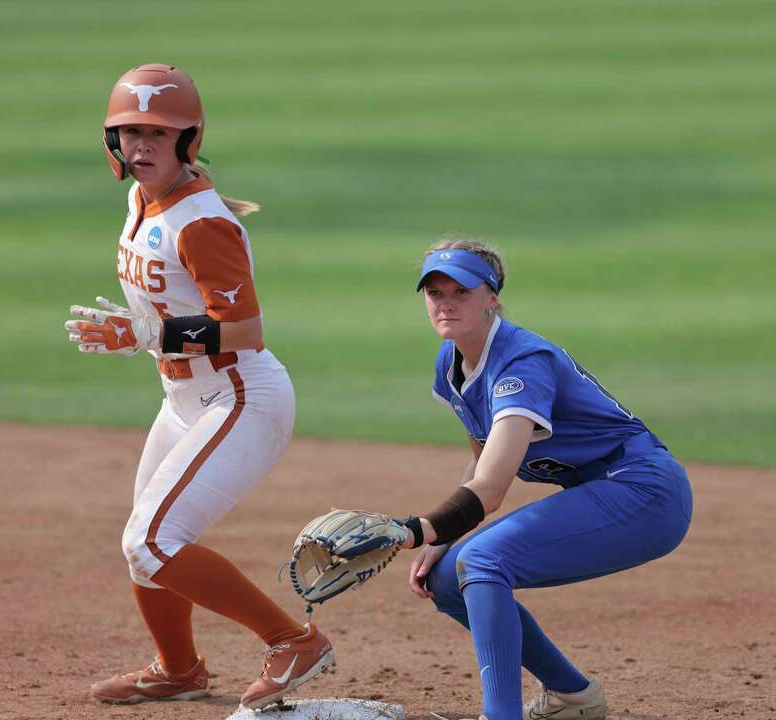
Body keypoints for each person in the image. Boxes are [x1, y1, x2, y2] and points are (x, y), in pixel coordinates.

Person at [63, 63, 333, 708]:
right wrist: (146, 333)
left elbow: (244, 330)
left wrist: (145, 333)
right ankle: (179, 670)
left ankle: (293, 641)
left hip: (240, 398)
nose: (143, 146)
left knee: (152, 541)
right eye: (131, 132)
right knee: (142, 544)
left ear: (189, 139)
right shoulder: (141, 200)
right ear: (112, 140)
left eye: (160, 133)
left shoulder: (201, 223)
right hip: (185, 398)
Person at [393, 239, 693, 720]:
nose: (446, 303)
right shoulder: (450, 363)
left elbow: (491, 490)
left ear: (491, 297)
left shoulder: (522, 363)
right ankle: (573, 696)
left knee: (484, 560)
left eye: (462, 291)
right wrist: (441, 536)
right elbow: (483, 460)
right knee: (447, 578)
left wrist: (411, 530)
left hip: (643, 491)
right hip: (601, 490)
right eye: (435, 293)